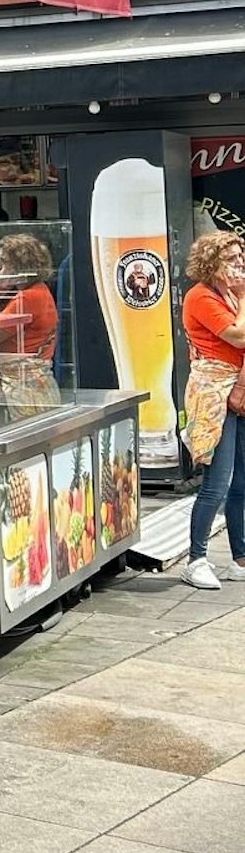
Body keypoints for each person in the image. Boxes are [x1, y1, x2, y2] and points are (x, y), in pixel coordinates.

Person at [180, 229, 245, 587]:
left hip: (237, 387)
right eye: (232, 258)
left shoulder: (230, 294)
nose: (240, 264)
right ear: (211, 262)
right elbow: (238, 336)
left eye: (241, 257)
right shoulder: (201, 296)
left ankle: (240, 557)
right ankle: (196, 558)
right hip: (212, 392)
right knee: (218, 482)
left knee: (241, 481)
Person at [0, 232, 61, 415]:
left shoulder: (29, 297)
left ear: (20, 266)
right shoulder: (38, 291)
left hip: (25, 389)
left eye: (3, 261)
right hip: (28, 386)